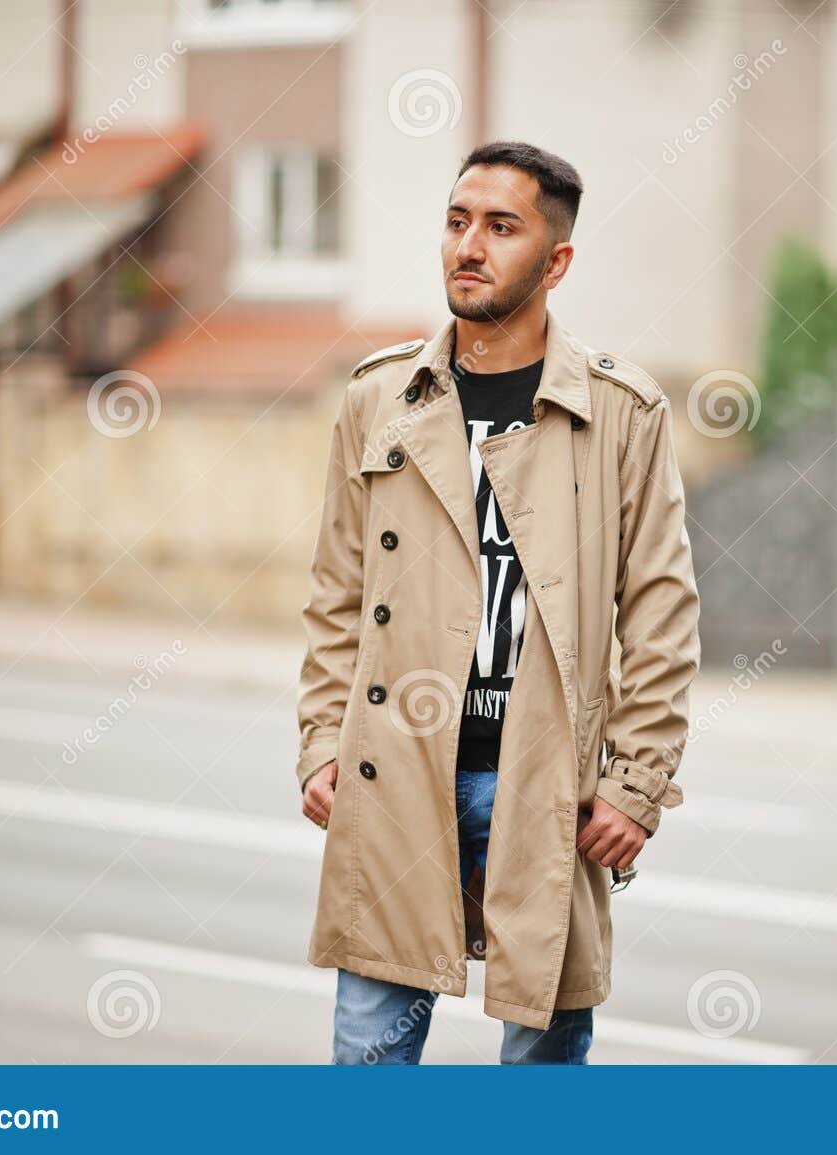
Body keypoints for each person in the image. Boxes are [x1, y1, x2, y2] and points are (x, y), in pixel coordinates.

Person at [293, 141, 701, 1064]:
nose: (468, 246)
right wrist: (323, 741)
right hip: (396, 776)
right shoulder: (379, 398)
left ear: (555, 260)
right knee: (368, 1061)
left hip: (550, 784)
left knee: (541, 1066)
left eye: (501, 227)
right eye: (456, 220)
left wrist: (637, 783)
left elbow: (663, 615)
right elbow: (336, 596)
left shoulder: (621, 412)